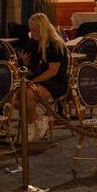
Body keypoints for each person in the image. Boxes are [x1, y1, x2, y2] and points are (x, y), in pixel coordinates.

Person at [20, 12, 69, 141]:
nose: (32, 33)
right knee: (14, 98)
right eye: (31, 30)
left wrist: (32, 81)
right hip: (37, 79)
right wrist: (24, 62)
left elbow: (52, 72)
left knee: (28, 94)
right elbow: (28, 65)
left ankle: (30, 125)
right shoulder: (33, 42)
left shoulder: (54, 45)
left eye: (35, 30)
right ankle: (38, 118)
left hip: (55, 81)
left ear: (43, 28)